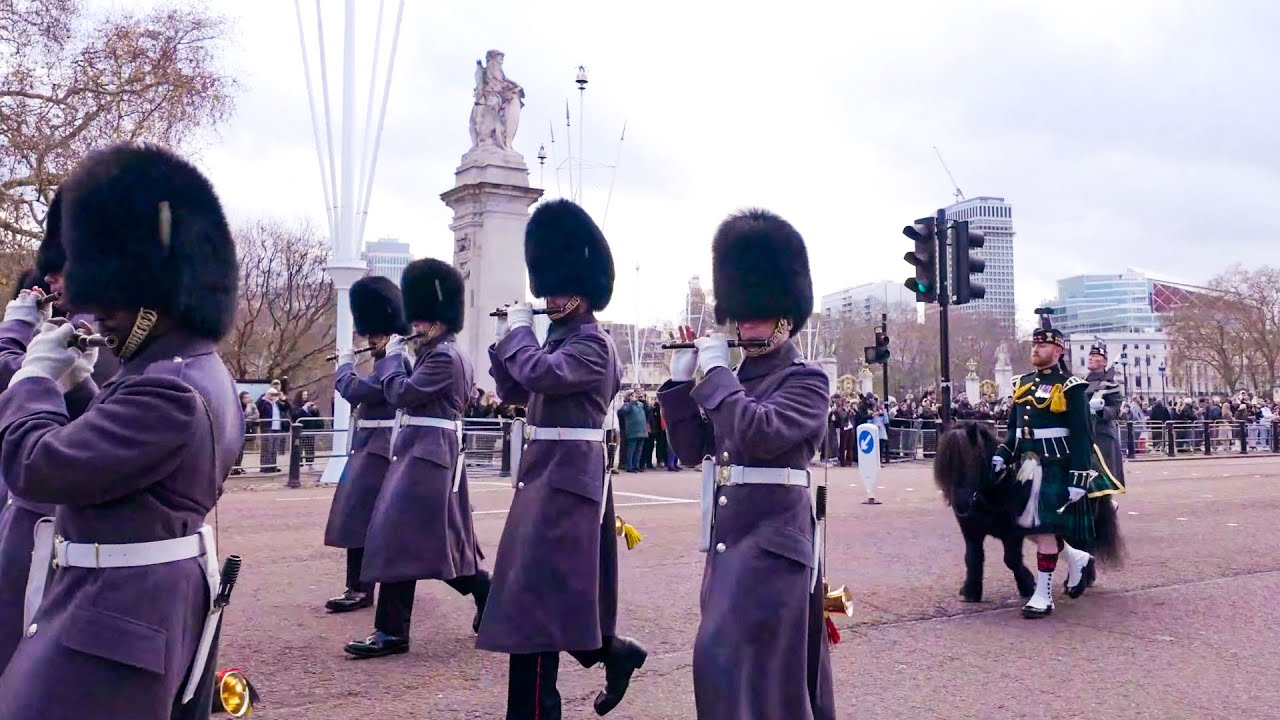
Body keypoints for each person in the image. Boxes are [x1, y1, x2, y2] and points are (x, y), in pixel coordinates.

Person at [0, 142, 243, 718]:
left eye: (111, 308)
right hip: (135, 603)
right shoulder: (195, 372)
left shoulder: (167, 391)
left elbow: (36, 466)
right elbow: (117, 449)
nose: (100, 320)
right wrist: (80, 384)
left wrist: (34, 378)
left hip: (112, 617)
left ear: (152, 302)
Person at [659, 208, 834, 720]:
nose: (745, 324)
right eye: (741, 314)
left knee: (747, 667)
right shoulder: (738, 376)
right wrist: (678, 383)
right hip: (731, 538)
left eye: (757, 314)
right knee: (729, 666)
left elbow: (758, 433)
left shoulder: (807, 380)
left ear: (786, 316)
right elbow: (694, 451)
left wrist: (715, 375)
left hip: (776, 543)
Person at [478, 199, 646, 719]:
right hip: (542, 477)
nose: (548, 296)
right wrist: (508, 335)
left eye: (556, 288)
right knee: (536, 603)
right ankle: (610, 654)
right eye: (544, 288)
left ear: (582, 290)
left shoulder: (594, 343)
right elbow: (515, 386)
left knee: (533, 608)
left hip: (570, 485)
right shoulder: (558, 337)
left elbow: (543, 375)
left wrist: (522, 333)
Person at [0, 189, 123, 674]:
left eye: (61, 268)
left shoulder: (95, 330)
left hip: (50, 514)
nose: (52, 278)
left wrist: (13, 331)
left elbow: (19, 380)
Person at [344, 259, 491, 658]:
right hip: (421, 452)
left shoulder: (443, 357)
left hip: (427, 456)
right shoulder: (435, 352)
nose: (417, 327)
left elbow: (401, 395)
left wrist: (391, 358)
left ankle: (391, 632)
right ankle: (488, 593)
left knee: (397, 538)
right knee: (427, 543)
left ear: (440, 322)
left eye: (423, 321)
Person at [993, 311, 1125, 619]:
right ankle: (1076, 557)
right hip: (1026, 465)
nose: (1036, 349)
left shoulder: (1071, 387)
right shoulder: (1022, 384)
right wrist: (1002, 453)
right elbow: (1015, 429)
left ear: (1058, 350)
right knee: (1028, 526)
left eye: (1043, 345)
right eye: (1034, 345)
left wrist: (1078, 479)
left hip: (1055, 464)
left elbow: (1081, 436)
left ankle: (1043, 594)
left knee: (1045, 529)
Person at [321, 275, 408, 614]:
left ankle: (361, 588)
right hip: (369, 446)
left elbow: (360, 391)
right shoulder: (386, 359)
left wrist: (344, 367)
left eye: (376, 335)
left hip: (383, 449)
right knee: (358, 516)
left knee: (365, 516)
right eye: (370, 335)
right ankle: (359, 586)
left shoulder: (396, 361)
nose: (371, 341)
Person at [1084, 342, 1125, 486]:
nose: (1091, 358)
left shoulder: (1111, 385)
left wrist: (1101, 410)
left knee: (1103, 481)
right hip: (1084, 435)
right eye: (1090, 355)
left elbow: (1116, 410)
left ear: (1104, 362)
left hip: (1102, 436)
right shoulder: (1081, 383)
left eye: (1095, 356)